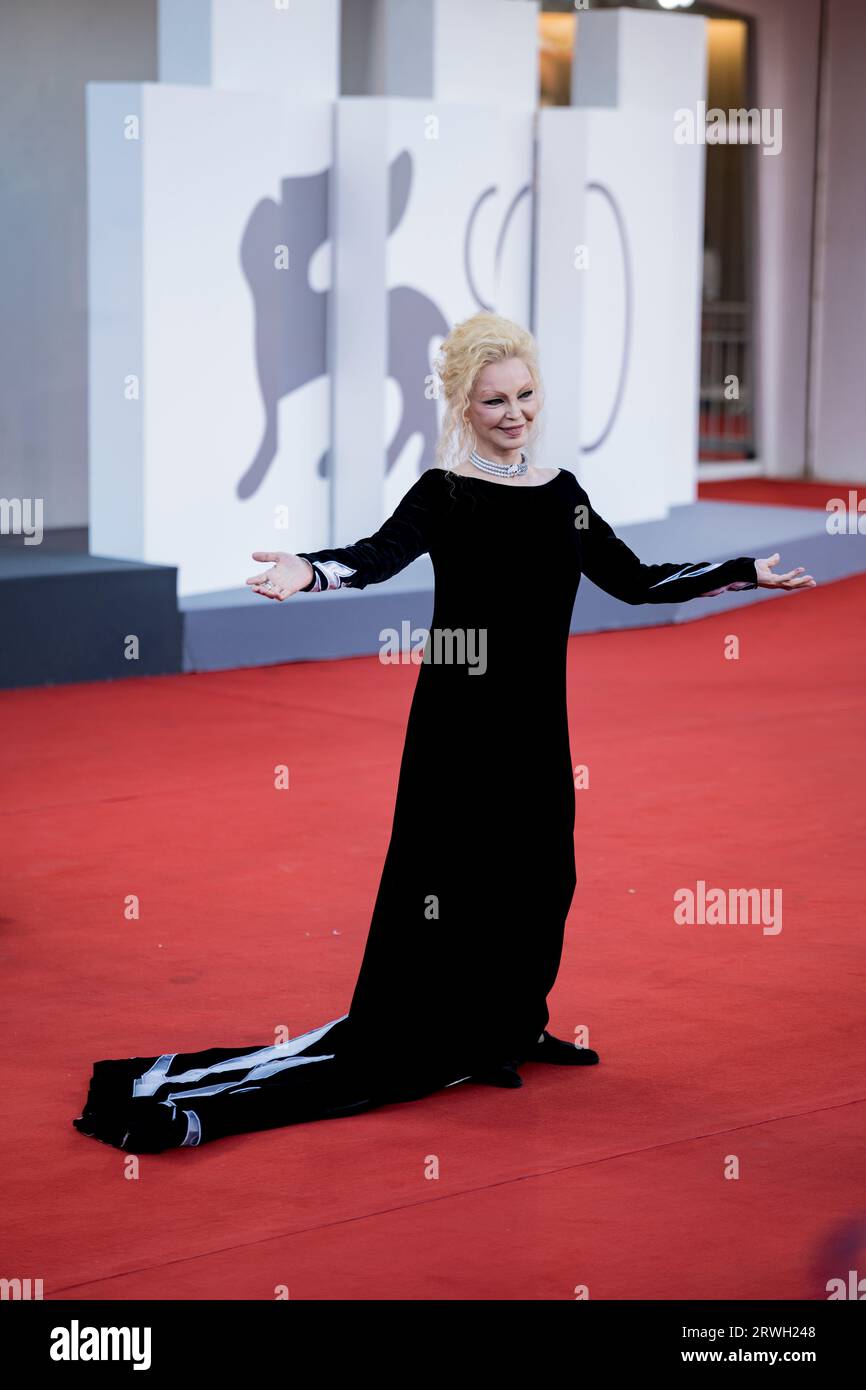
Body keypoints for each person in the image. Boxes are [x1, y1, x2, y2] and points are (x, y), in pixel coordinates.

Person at [73, 312, 815, 1153]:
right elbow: (375, 556)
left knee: (543, 878)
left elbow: (636, 581)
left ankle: (513, 1027)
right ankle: (462, 1040)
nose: (515, 413)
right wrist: (306, 570)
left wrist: (742, 572)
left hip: (536, 728)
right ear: (464, 406)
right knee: (454, 886)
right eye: (494, 400)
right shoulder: (446, 494)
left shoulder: (564, 496)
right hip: (457, 729)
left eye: (525, 395)